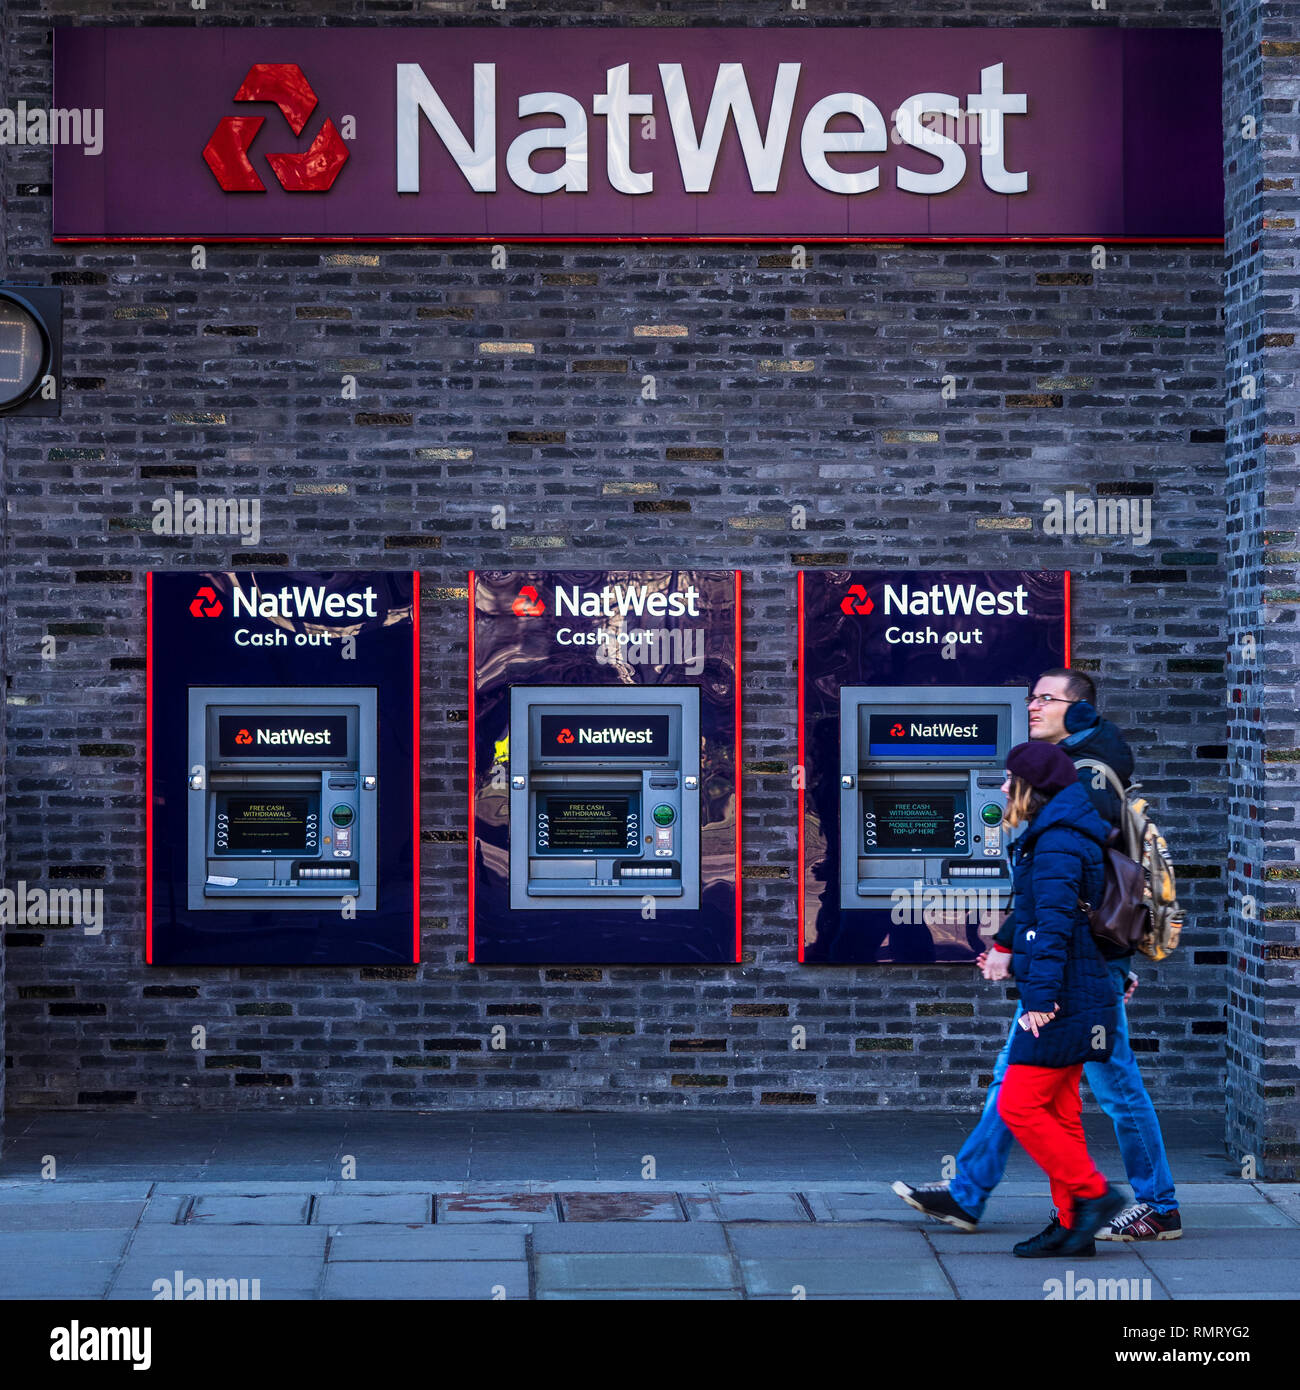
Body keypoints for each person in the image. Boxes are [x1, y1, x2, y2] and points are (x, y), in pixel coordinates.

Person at [893, 668, 1182, 1247]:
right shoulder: (1072, 768)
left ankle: (1153, 1203)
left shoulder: (1087, 777)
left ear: (1079, 711)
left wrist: (1104, 969)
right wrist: (1011, 946)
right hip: (1072, 966)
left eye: (1047, 699)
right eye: (1031, 697)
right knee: (1032, 1084)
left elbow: (1090, 887)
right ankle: (982, 1194)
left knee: (1107, 1085)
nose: (1033, 706)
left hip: (1084, 969)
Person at [989, 740, 1124, 1254]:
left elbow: (1054, 927)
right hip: (1081, 989)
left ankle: (1094, 1197)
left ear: (1032, 789)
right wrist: (1003, 946)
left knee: (1019, 1104)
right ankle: (1074, 1226)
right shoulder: (1061, 833)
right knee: (1062, 1111)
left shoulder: (1057, 842)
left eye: (1009, 780)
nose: (1002, 788)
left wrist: (1040, 1000)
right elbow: (1036, 909)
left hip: (1064, 997)